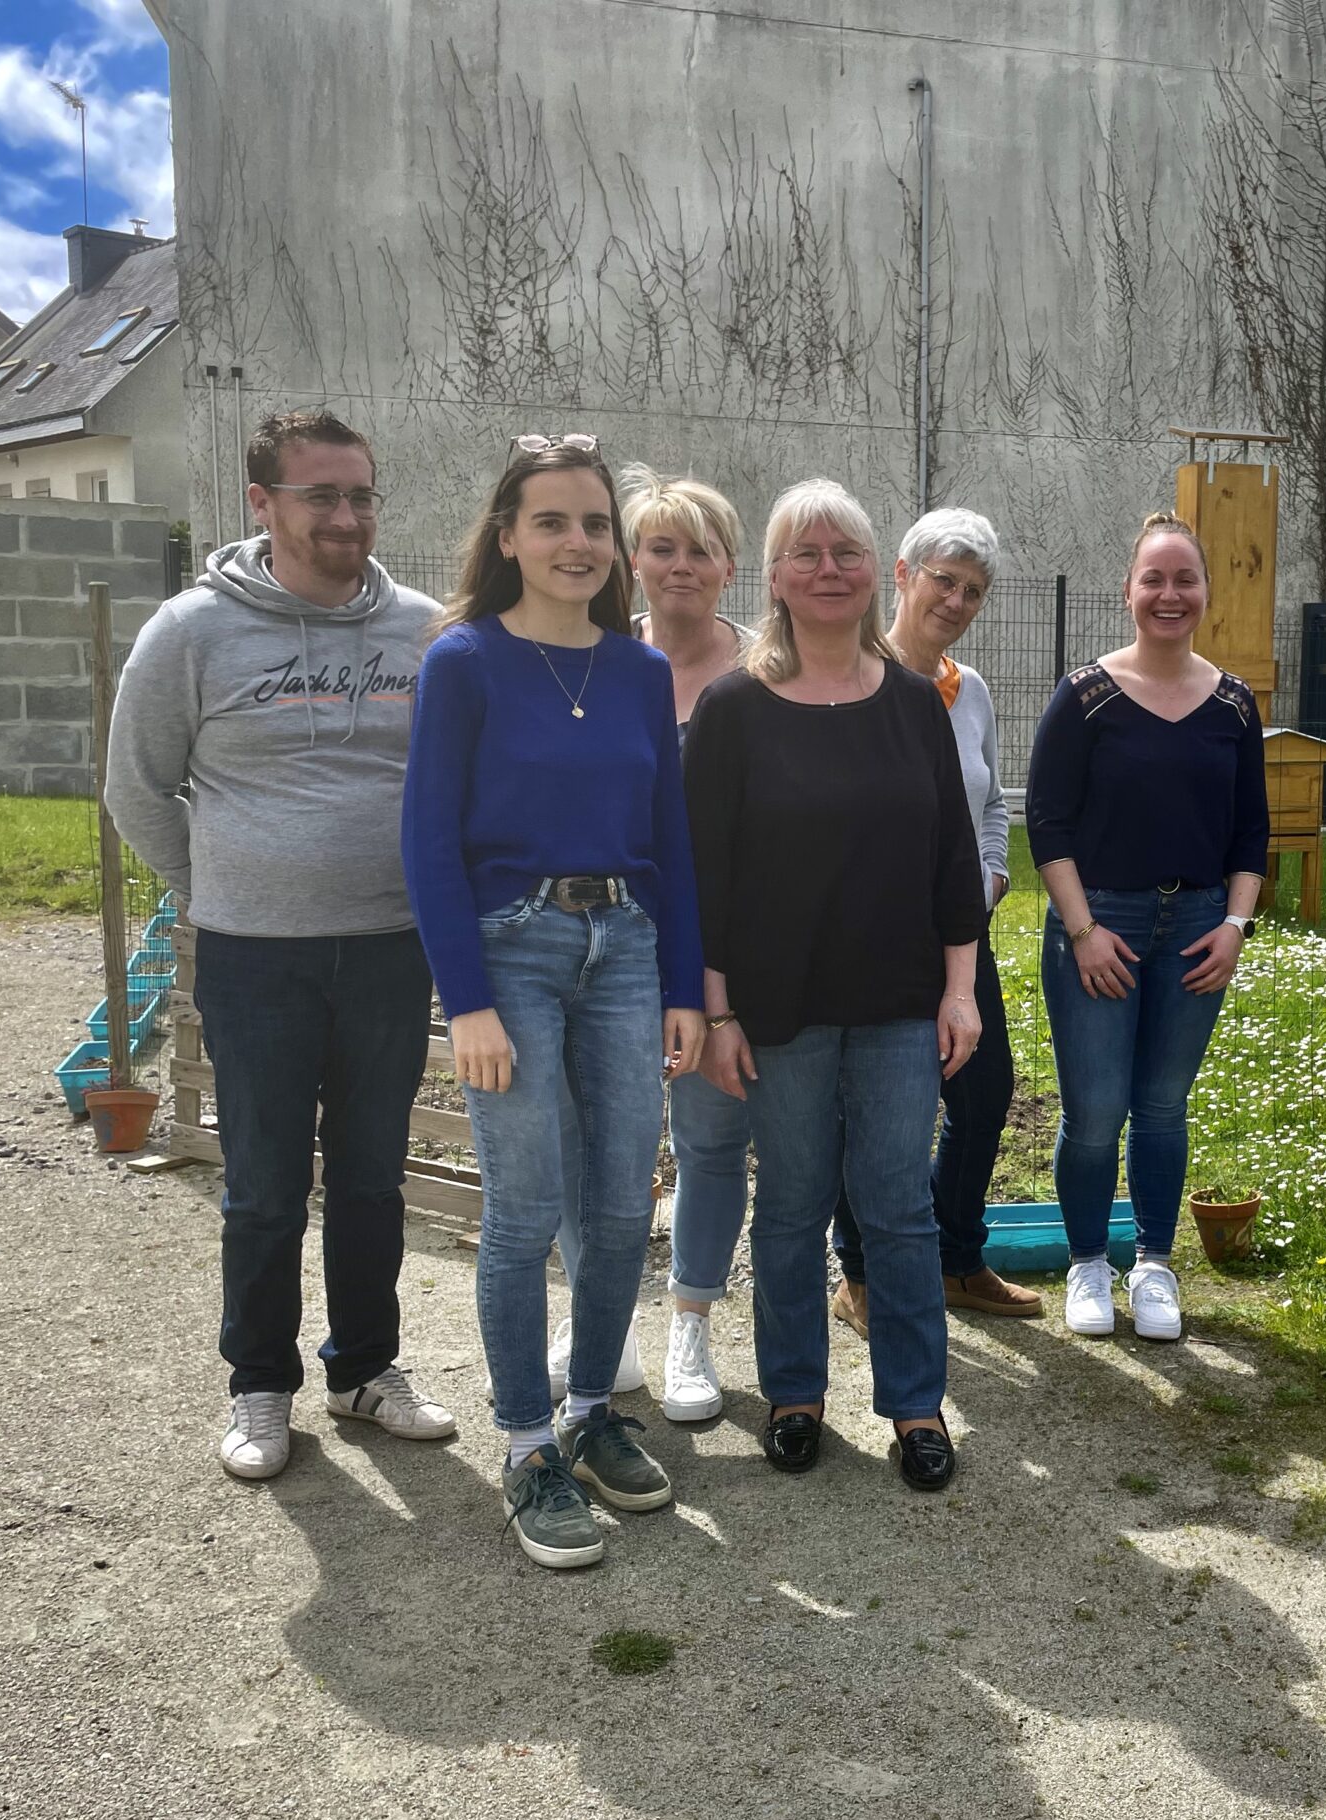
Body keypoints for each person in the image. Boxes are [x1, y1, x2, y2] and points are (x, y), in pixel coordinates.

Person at [106, 408, 456, 1481]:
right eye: (322, 496)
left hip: (393, 949)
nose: (347, 516)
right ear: (262, 503)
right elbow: (137, 788)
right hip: (256, 958)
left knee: (369, 1177)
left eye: (361, 495)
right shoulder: (191, 632)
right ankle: (260, 1386)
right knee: (262, 1182)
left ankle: (364, 1368)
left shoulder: (425, 632)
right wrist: (224, 887)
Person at [402, 433, 707, 1570]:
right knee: (526, 1209)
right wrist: (464, 1002)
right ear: (507, 535)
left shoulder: (634, 671)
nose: (577, 544)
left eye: (594, 525)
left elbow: (670, 842)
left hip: (627, 948)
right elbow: (427, 843)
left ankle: (590, 1412)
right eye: (552, 522)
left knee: (624, 1202)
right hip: (511, 952)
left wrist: (684, 983)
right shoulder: (464, 661)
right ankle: (528, 1444)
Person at [684, 479, 984, 1493]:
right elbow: (705, 880)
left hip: (902, 1003)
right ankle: (795, 1394)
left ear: (874, 571)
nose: (827, 569)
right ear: (772, 576)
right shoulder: (732, 709)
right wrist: (717, 1010)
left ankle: (914, 1404)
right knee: (792, 1206)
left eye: (846, 551)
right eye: (804, 553)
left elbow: (952, 859)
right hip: (778, 1010)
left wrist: (959, 992)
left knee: (898, 1208)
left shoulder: (912, 700)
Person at [1025, 511, 1268, 1344]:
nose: (1170, 594)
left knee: (1163, 1105)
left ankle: (1154, 1263)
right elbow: (1047, 825)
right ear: (1129, 592)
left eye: (1185, 579)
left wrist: (1236, 924)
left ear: (1205, 591)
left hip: (1198, 926)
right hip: (1102, 924)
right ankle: (1090, 1261)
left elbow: (1250, 835)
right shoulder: (1086, 695)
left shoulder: (1235, 705)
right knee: (1095, 1110)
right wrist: (1084, 930)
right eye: (1154, 579)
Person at [548, 468, 751, 1425]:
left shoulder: (762, 675)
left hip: (723, 947)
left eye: (699, 548)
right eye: (662, 548)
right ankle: (604, 1323)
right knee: (595, 1141)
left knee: (711, 1140)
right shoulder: (592, 662)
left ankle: (691, 1324)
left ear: (728, 566)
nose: (680, 566)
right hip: (608, 939)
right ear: (635, 562)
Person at [828, 508, 1039, 1338]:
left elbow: (992, 806)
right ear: (904, 577)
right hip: (867, 937)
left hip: (960, 933)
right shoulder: (849, 676)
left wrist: (988, 876)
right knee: (866, 1105)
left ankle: (956, 1258)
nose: (955, 600)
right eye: (943, 580)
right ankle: (861, 1275)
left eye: (973, 591)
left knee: (983, 1093)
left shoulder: (970, 690)